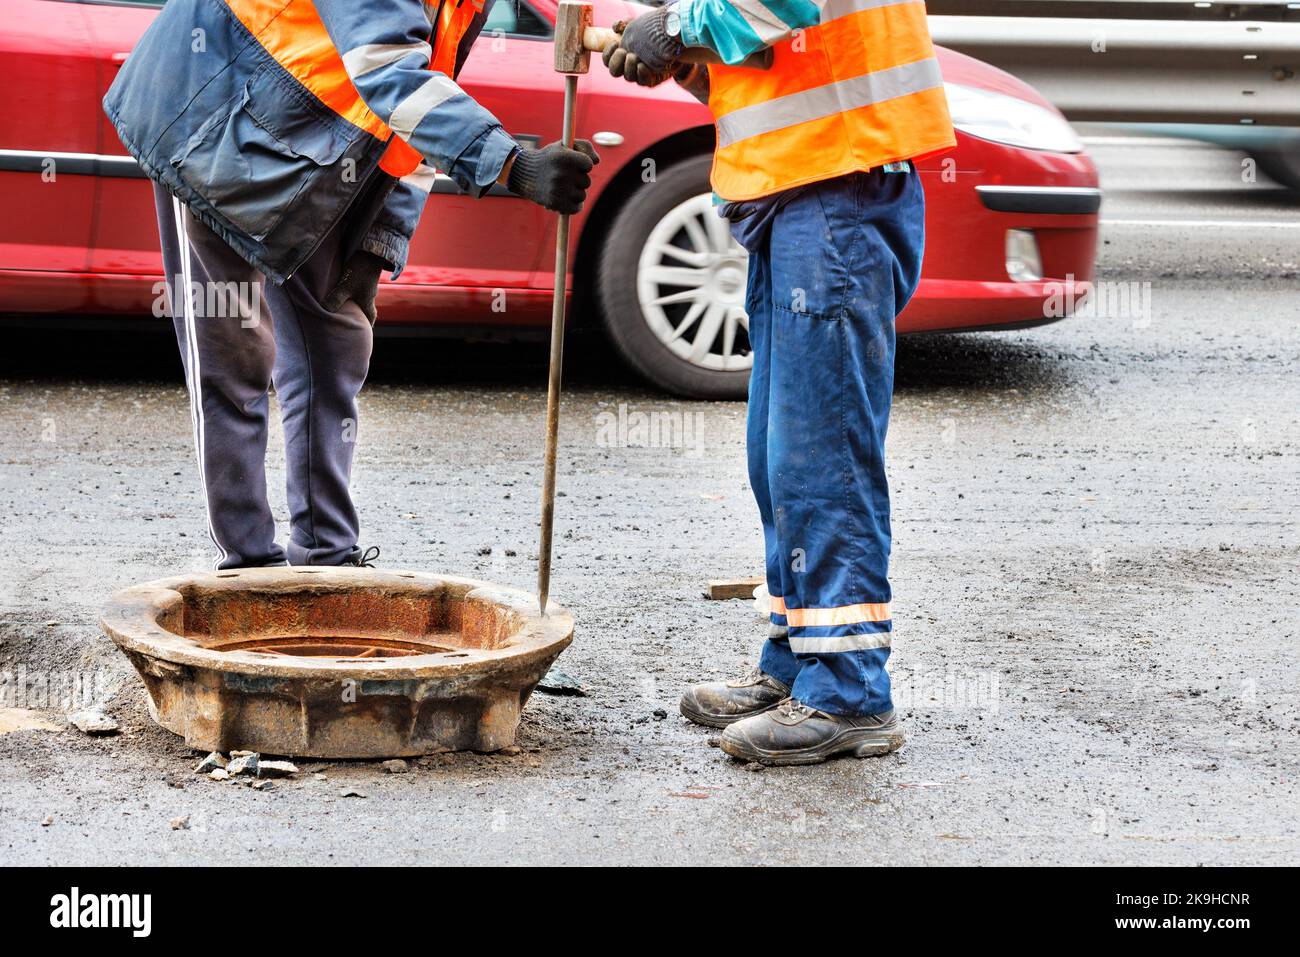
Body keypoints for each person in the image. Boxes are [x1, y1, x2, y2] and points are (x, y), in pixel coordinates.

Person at [103, 0, 596, 569]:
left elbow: (420, 100)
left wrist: (379, 237)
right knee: (232, 349)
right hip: (207, 117)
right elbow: (390, 71)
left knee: (334, 339)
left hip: (312, 139)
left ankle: (325, 553)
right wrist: (513, 166)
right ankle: (247, 561)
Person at [605, 0, 956, 765]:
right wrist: (689, 58)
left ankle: (850, 692)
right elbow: (779, 54)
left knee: (821, 453)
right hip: (803, 186)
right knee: (783, 457)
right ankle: (799, 658)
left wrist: (671, 28)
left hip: (837, 188)